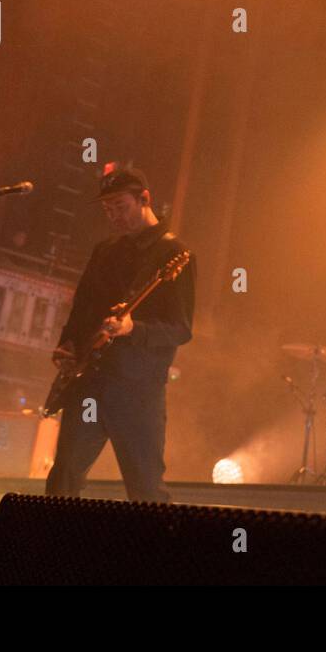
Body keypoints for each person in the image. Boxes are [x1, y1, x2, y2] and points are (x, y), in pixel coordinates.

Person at [45, 167, 195, 502]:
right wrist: (67, 344)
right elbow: (82, 308)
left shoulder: (174, 254)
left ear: (145, 199)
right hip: (89, 381)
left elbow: (181, 329)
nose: (114, 216)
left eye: (120, 207)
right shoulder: (104, 251)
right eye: (107, 210)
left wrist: (133, 329)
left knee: (145, 489)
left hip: (137, 390)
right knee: (63, 478)